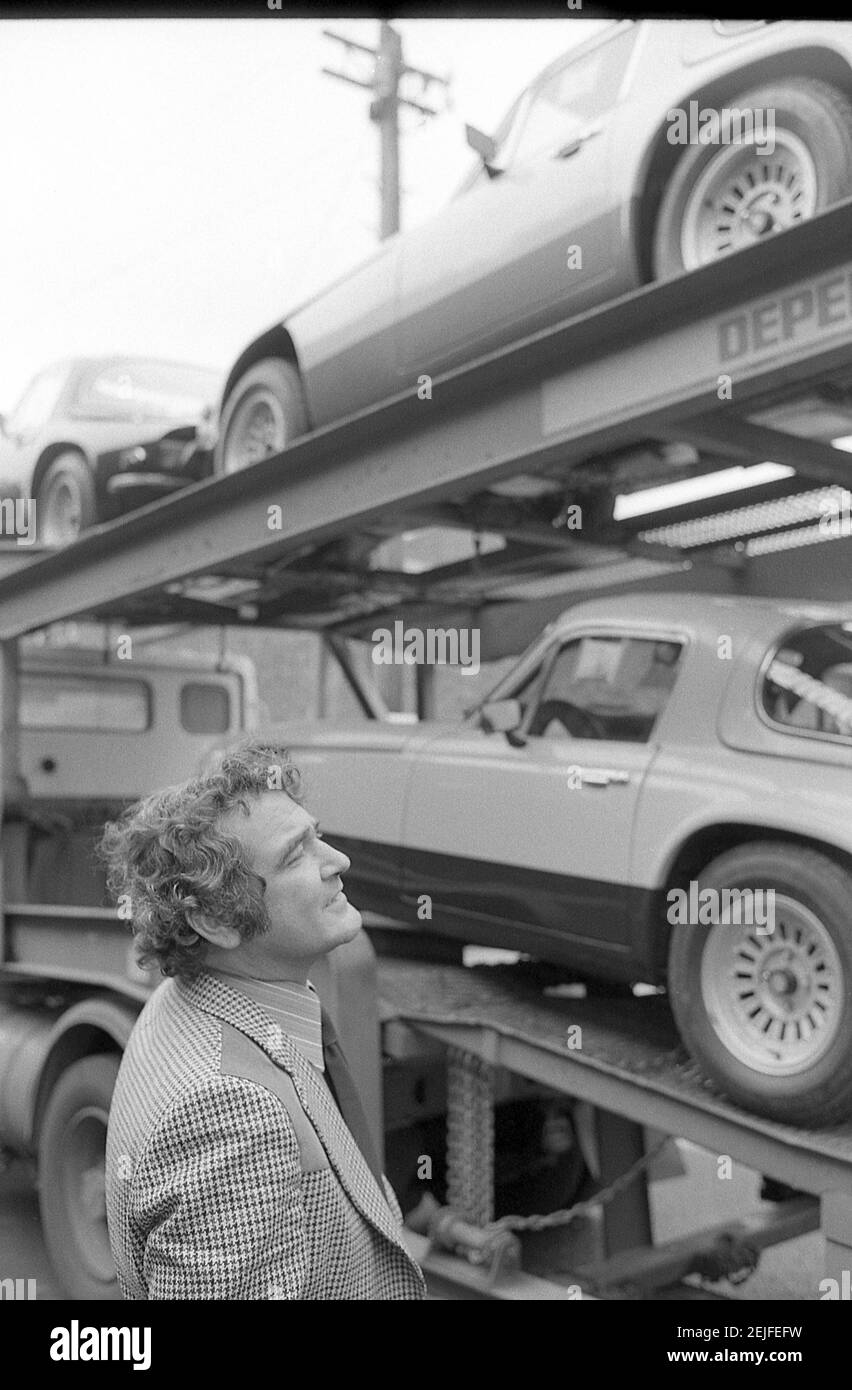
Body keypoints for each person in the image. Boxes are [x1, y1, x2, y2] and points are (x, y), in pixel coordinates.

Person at [102, 737, 426, 1301]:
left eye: (316, 835)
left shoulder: (182, 999)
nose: (337, 861)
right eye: (296, 854)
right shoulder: (232, 1112)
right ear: (217, 921)